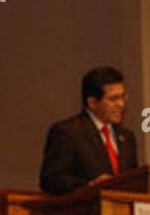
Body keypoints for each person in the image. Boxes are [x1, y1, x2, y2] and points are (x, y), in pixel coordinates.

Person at [39, 65, 138, 195]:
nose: (122, 104)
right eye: (113, 99)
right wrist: (89, 186)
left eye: (123, 97)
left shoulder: (127, 137)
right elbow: (51, 180)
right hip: (85, 210)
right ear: (92, 103)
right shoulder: (68, 132)